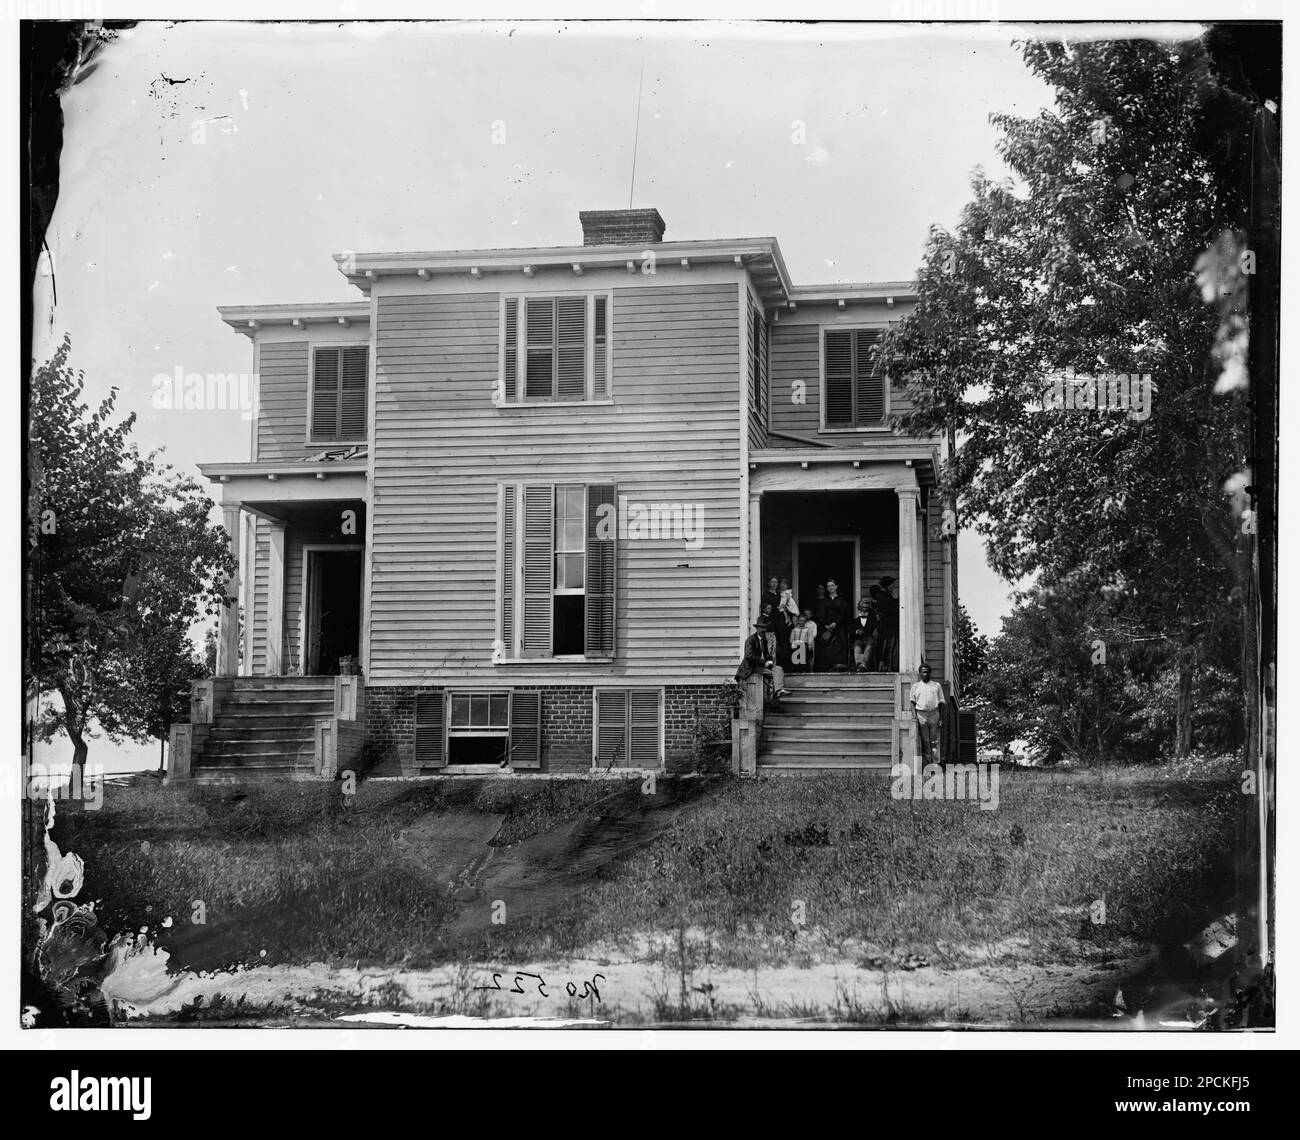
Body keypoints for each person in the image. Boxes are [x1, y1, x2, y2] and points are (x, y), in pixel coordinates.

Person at [908, 663, 945, 765]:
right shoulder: (916, 686)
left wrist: (941, 718)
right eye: (923, 672)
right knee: (925, 742)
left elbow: (941, 703)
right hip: (921, 715)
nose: (925, 674)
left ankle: (935, 764)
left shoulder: (936, 686)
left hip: (934, 715)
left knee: (935, 741)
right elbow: (912, 702)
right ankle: (927, 764)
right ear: (920, 673)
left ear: (930, 673)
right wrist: (914, 715)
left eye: (927, 672)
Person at [815, 578, 852, 671]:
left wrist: (836, 622)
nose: (830, 587)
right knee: (826, 647)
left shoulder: (842, 601)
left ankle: (839, 667)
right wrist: (826, 624)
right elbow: (820, 615)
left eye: (832, 585)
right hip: (826, 628)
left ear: (836, 587)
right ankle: (827, 667)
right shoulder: (824, 602)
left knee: (839, 646)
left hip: (839, 628)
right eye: (828, 586)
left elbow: (844, 614)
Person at [876, 576, 899, 672]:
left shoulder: (885, 595)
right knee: (886, 646)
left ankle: (887, 666)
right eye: (892, 586)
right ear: (888, 586)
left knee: (889, 646)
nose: (894, 587)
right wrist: (896, 598)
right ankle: (885, 667)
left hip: (889, 624)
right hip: (887, 625)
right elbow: (892, 609)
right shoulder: (882, 596)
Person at [850, 597, 878, 672]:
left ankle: (862, 665)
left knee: (869, 644)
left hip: (869, 638)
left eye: (865, 609)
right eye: (862, 609)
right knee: (857, 645)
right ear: (859, 610)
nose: (863, 612)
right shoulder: (855, 621)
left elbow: (874, 628)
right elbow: (851, 632)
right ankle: (860, 664)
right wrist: (856, 632)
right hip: (859, 639)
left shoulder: (873, 619)